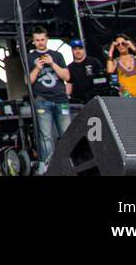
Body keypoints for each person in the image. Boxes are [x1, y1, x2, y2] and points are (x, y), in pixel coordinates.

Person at [26, 26, 71, 168]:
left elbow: (66, 76)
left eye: (42, 39)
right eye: (37, 40)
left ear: (47, 39)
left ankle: (69, 163)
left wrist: (52, 63)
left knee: (67, 133)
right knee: (45, 136)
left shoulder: (57, 55)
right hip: (42, 100)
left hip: (60, 98)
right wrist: (37, 68)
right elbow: (27, 81)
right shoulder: (30, 57)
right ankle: (49, 167)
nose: (40, 42)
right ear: (33, 41)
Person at [65, 38, 108, 104]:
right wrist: (66, 96)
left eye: (80, 49)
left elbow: (102, 79)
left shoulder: (94, 61)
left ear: (84, 49)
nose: (78, 51)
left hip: (96, 99)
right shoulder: (70, 67)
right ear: (72, 50)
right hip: (79, 101)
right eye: (75, 49)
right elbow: (69, 83)